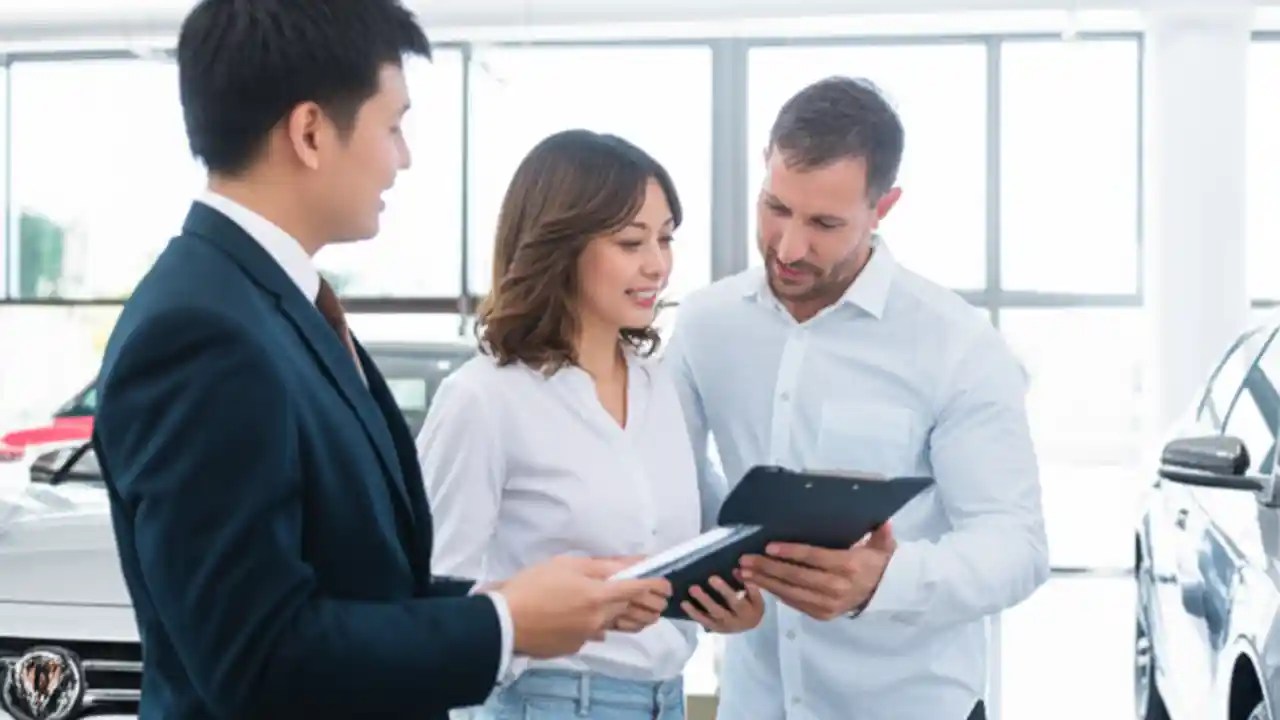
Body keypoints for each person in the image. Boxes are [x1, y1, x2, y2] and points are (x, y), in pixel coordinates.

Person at [90, 3, 668, 718]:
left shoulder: (275, 305)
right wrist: (505, 624)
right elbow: (258, 654)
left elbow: (360, 586)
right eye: (392, 125)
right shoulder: (200, 331)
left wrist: (520, 606)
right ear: (309, 133)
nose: (405, 155)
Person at [665, 76, 1050, 720]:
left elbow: (1017, 546)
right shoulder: (707, 325)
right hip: (755, 703)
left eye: (823, 223)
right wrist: (719, 565)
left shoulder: (956, 344)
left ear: (884, 206)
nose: (788, 248)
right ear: (765, 165)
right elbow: (666, 476)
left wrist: (883, 582)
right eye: (776, 208)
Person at [417, 129, 765, 720]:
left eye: (665, 238)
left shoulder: (664, 388)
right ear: (561, 247)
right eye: (631, 242)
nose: (656, 264)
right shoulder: (484, 400)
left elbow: (707, 537)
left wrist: (739, 605)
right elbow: (432, 611)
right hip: (543, 704)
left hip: (666, 701)